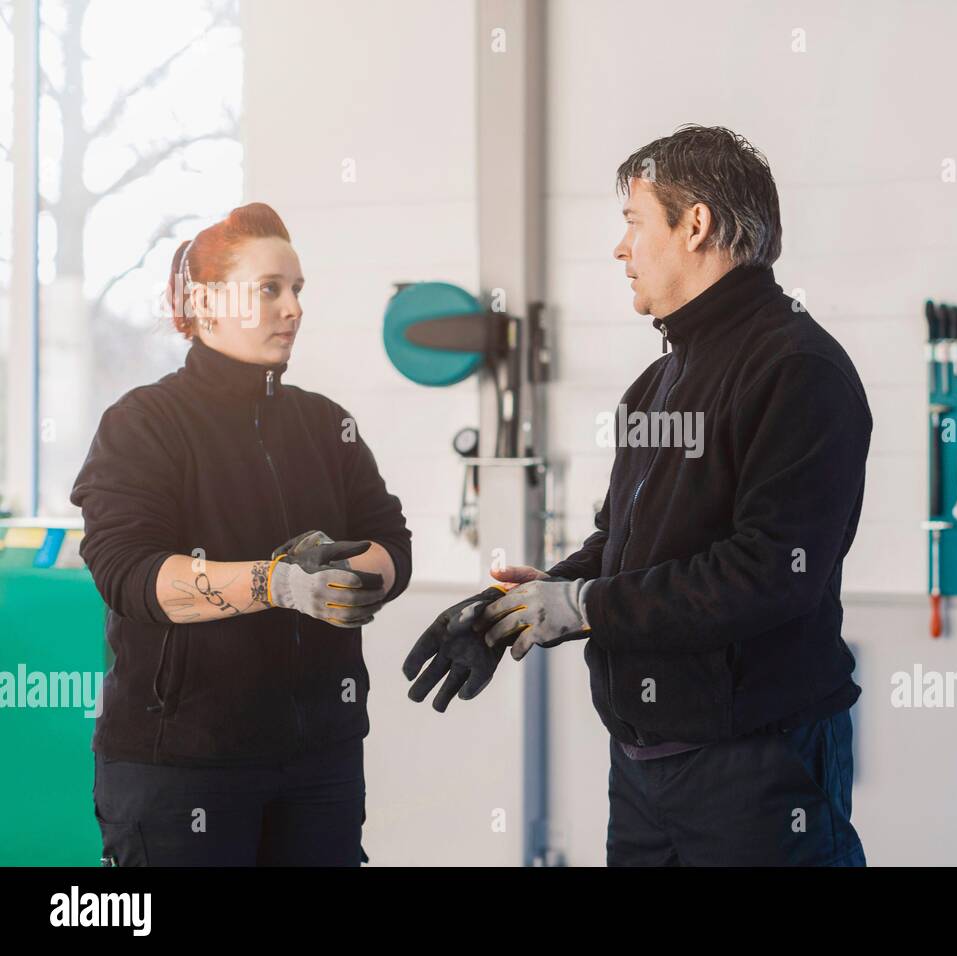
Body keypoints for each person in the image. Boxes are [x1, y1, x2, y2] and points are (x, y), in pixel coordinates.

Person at [403, 126, 871, 866]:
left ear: (696, 224)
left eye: (633, 223)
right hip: (643, 768)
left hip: (756, 767)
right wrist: (529, 603)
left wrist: (582, 608)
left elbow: (768, 573)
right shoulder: (656, 384)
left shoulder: (797, 370)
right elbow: (620, 548)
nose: (620, 250)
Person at [70, 202, 412, 866]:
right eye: (269, 290)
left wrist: (353, 578)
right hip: (182, 768)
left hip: (320, 762)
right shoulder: (143, 424)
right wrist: (277, 583)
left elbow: (389, 539)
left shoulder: (325, 425)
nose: (293, 308)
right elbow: (129, 574)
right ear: (204, 303)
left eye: (297, 290)